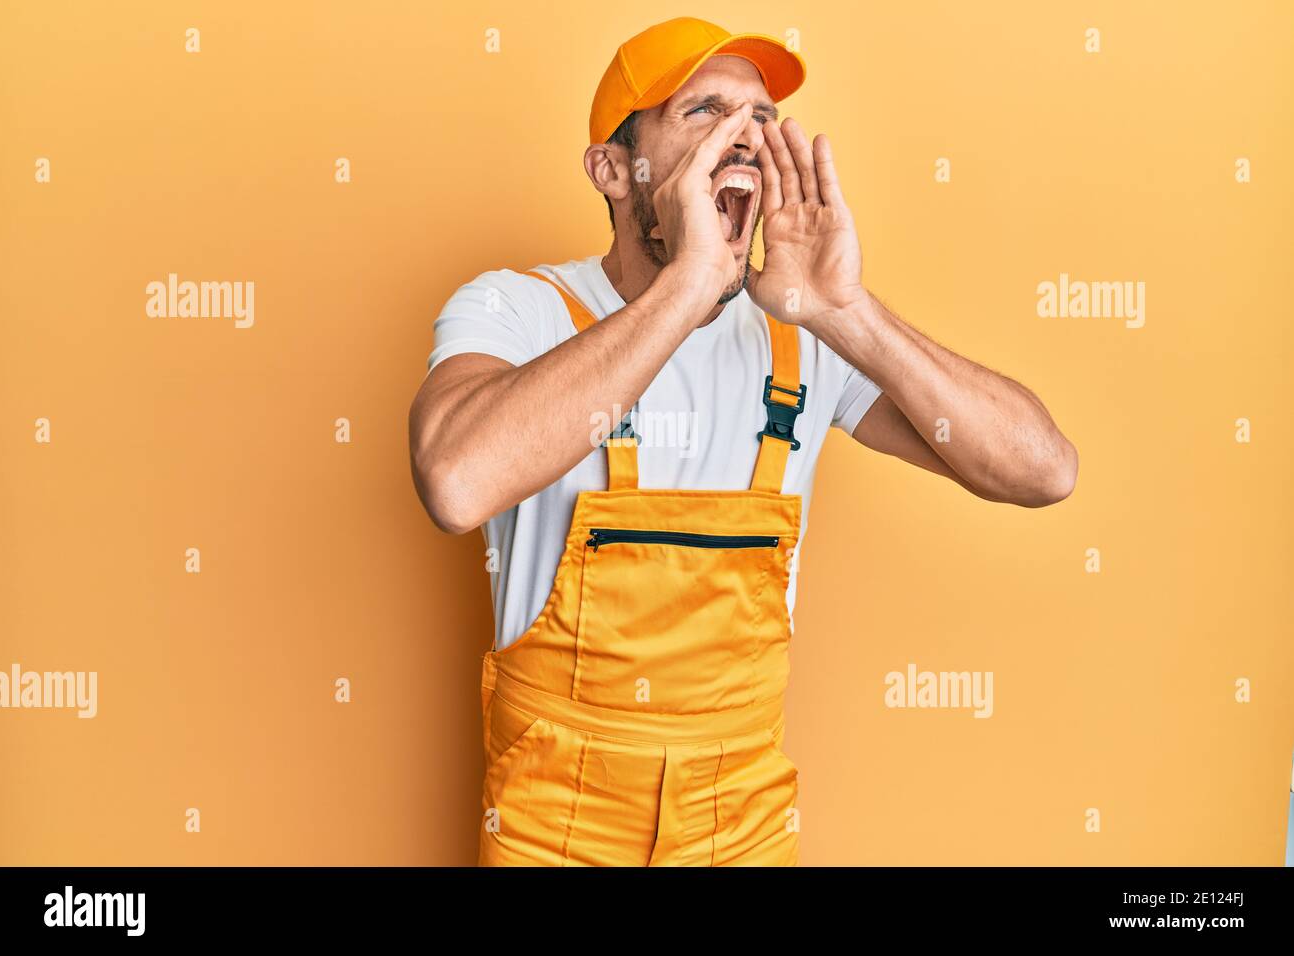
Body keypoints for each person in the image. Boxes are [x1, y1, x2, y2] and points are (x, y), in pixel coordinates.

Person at [409, 16, 1078, 866]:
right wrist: (688, 286)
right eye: (705, 113)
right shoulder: (517, 310)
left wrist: (846, 312)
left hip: (744, 824)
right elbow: (456, 483)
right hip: (553, 822)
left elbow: (1042, 470)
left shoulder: (800, 339)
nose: (746, 140)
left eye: (761, 120)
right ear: (613, 168)